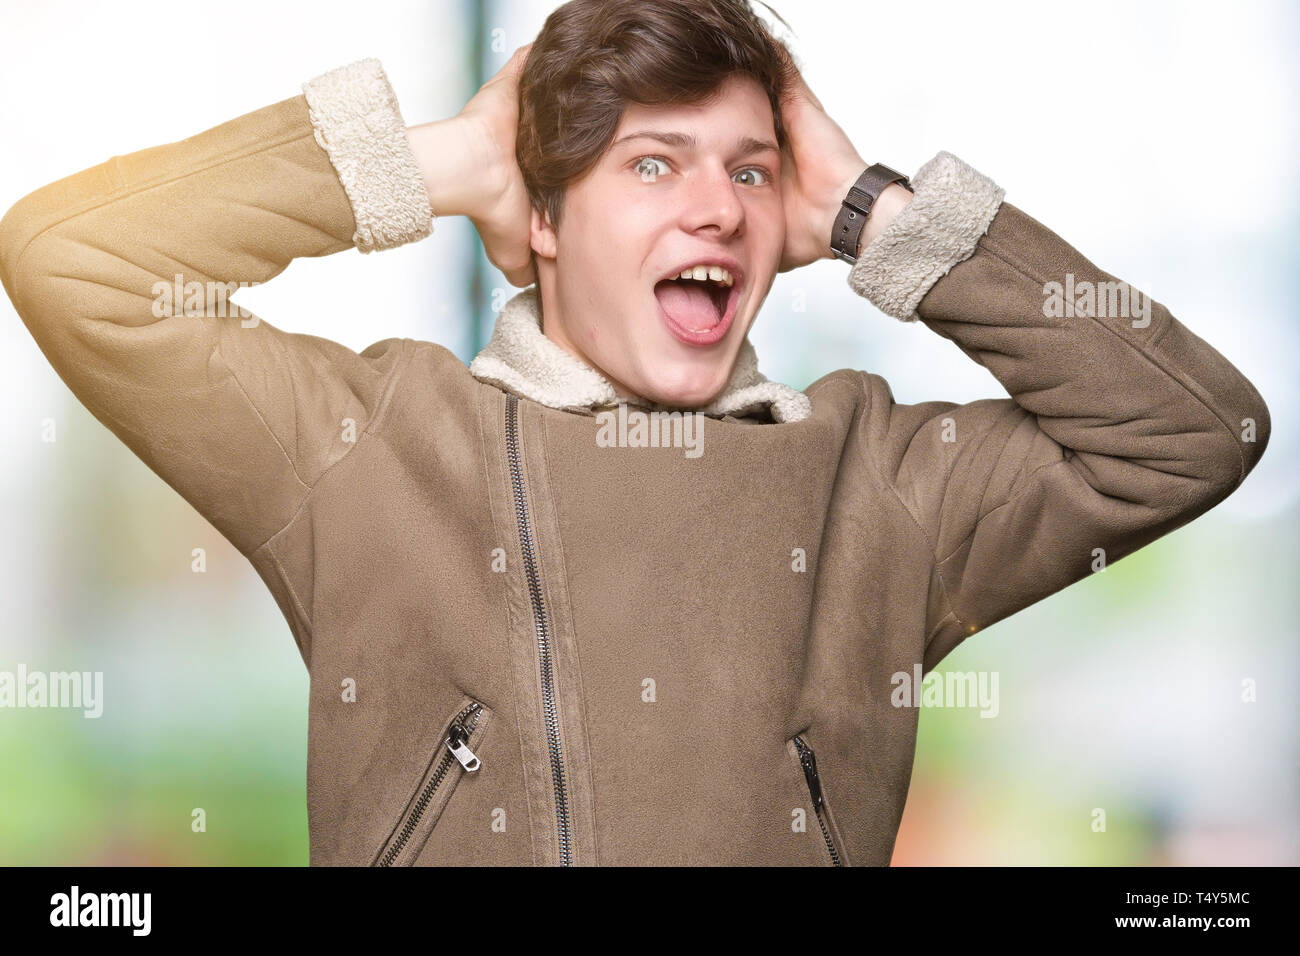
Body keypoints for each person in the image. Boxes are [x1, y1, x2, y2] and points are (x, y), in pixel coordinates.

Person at [0, 0, 1269, 866]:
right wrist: (433, 160)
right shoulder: (364, 441)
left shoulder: (878, 478)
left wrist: (874, 210)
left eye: (753, 171)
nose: (716, 206)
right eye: (654, 165)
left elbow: (1193, 430)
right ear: (541, 217)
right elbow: (72, 259)